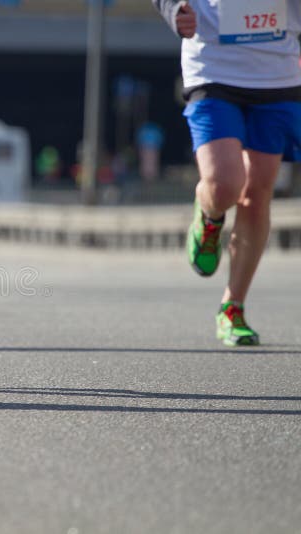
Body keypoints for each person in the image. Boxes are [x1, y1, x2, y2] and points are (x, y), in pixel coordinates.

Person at [153, 0, 301, 346]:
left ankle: (232, 307)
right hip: (213, 68)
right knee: (225, 185)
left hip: (278, 73)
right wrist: (173, 8)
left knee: (258, 193)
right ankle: (208, 213)